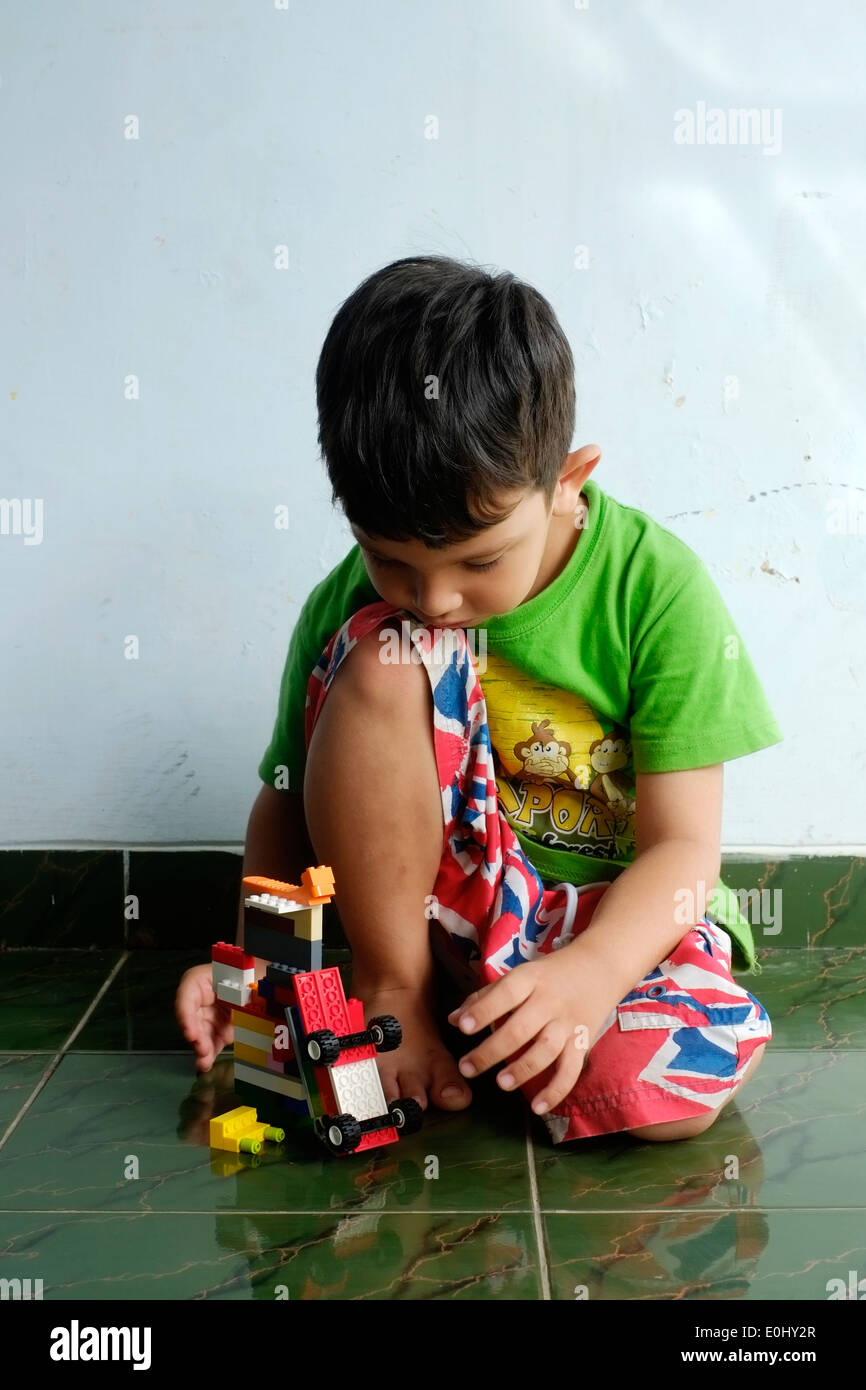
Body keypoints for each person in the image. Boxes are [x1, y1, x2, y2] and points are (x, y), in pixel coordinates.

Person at [176, 255, 782, 1145]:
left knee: (657, 1093)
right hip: (442, 933)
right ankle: (399, 1006)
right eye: (393, 559)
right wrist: (261, 982)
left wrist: (593, 974)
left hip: (621, 921)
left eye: (481, 560)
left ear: (568, 479)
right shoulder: (360, 609)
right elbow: (287, 805)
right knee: (387, 652)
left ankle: (510, 1034)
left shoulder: (657, 590)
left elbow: (685, 851)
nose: (436, 598)